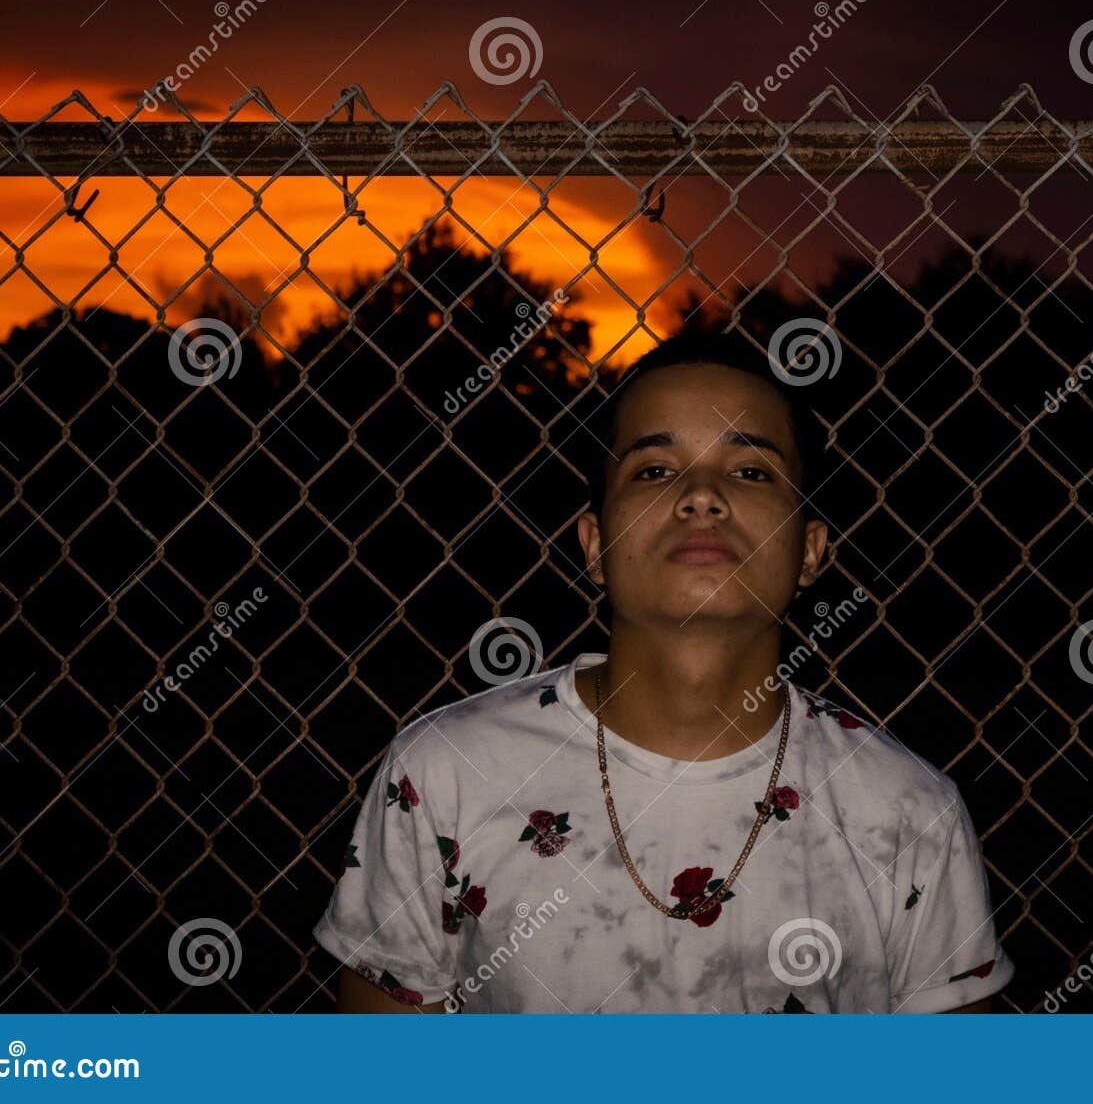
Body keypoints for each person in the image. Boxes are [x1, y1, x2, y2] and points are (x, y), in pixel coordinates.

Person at [312, 330, 1014, 1012]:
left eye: (749, 471)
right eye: (653, 470)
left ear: (809, 549)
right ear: (594, 544)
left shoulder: (909, 813)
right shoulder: (446, 774)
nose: (701, 496)